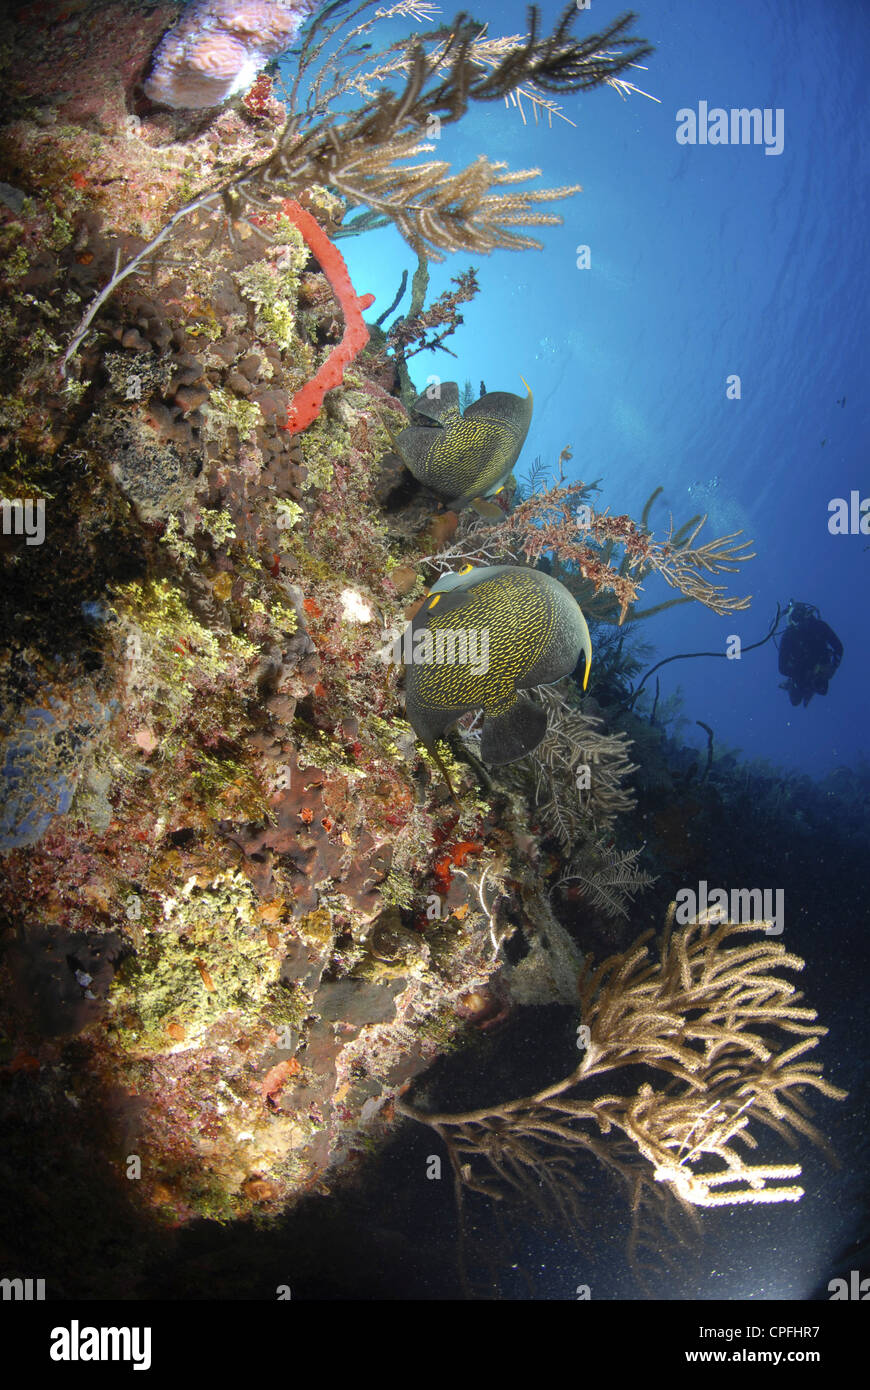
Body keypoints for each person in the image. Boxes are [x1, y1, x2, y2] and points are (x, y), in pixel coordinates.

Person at [777, 601, 843, 707]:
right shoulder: (788, 636)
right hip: (800, 673)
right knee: (795, 700)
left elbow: (838, 648)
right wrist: (804, 671)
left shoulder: (820, 627)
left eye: (800, 615)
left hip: (820, 668)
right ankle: (792, 685)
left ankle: (806, 689)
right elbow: (782, 668)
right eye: (796, 617)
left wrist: (832, 667)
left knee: (822, 689)